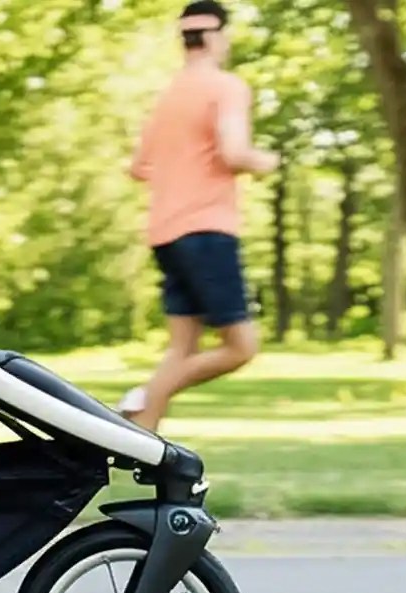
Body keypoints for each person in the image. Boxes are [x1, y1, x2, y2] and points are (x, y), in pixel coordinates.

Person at [117, 0, 280, 432]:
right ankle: (142, 400)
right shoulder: (225, 86)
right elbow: (234, 153)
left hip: (165, 231)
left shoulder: (169, 95)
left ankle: (141, 440)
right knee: (241, 347)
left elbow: (139, 167)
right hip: (206, 229)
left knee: (181, 347)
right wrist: (265, 162)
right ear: (217, 36)